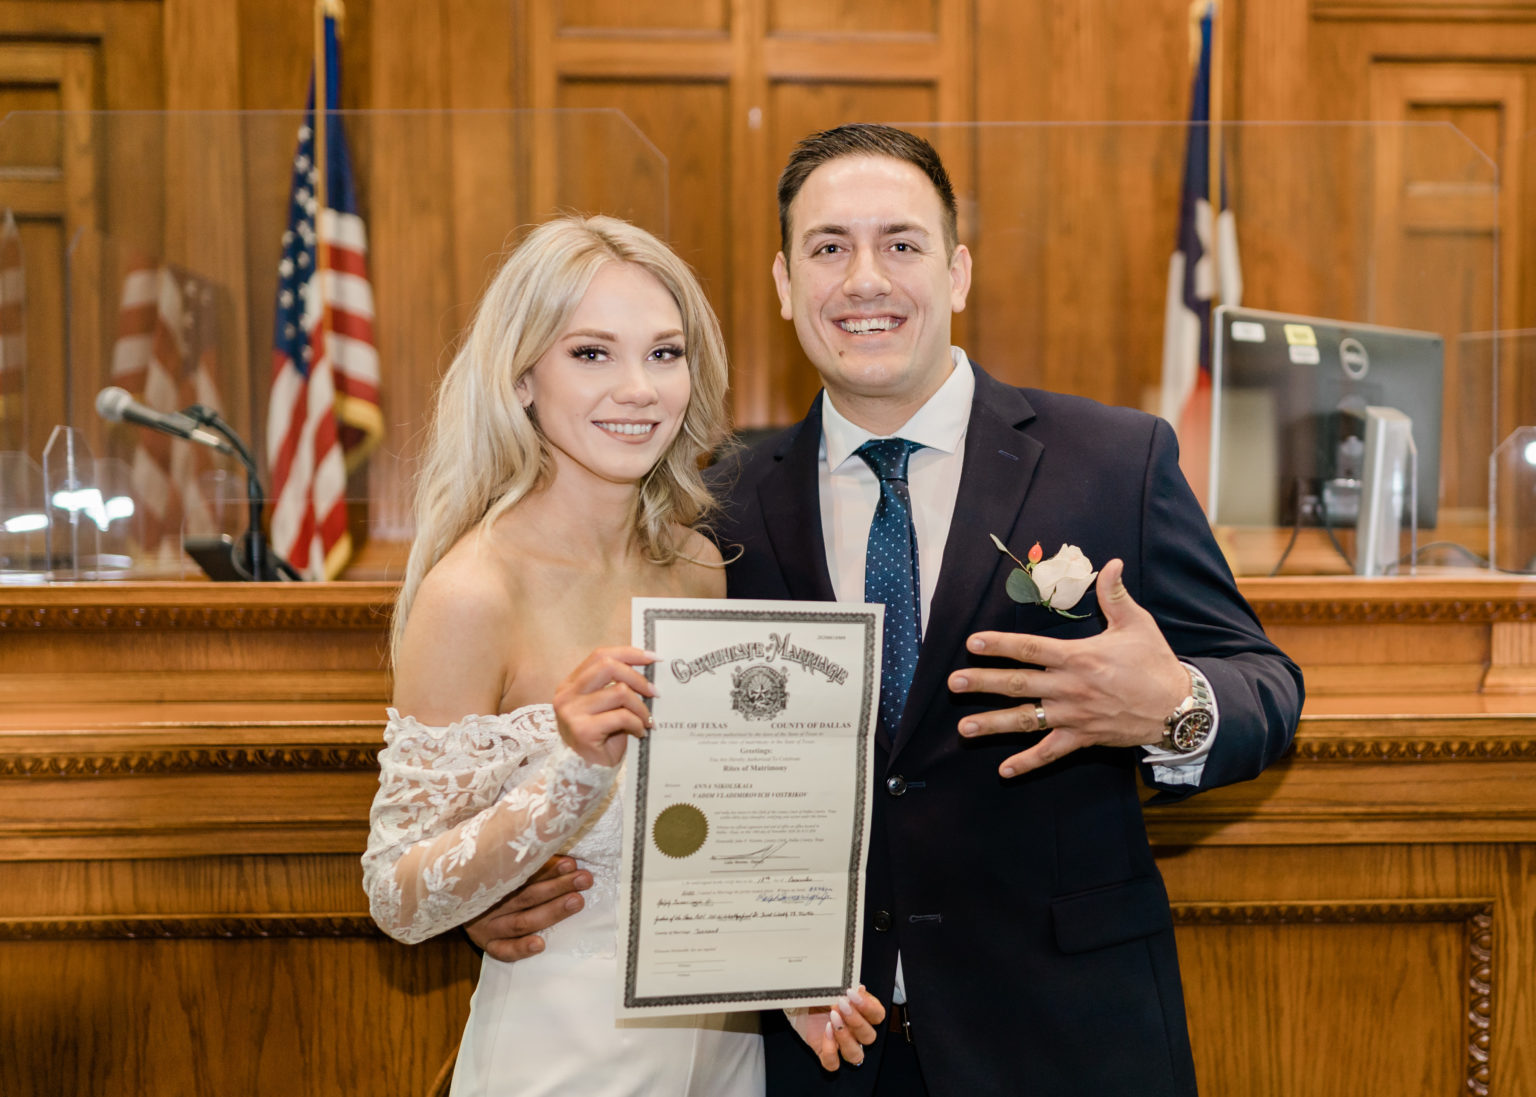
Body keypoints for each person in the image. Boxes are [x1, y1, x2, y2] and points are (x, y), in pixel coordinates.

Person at [470, 128, 1304, 1096]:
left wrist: (1176, 708)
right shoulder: (712, 499)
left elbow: (1264, 681)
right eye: (829, 247)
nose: (864, 277)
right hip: (810, 1044)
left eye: (900, 244)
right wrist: (501, 894)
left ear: (955, 273)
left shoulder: (1115, 457)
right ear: (786, 284)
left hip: (1064, 1030)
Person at [362, 214, 882, 1097]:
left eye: (665, 353)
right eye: (592, 354)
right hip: (563, 1048)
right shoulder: (475, 591)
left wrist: (788, 973)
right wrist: (567, 773)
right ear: (523, 376)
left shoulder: (698, 565)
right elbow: (398, 896)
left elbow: (709, 836)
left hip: (721, 1046)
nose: (638, 388)